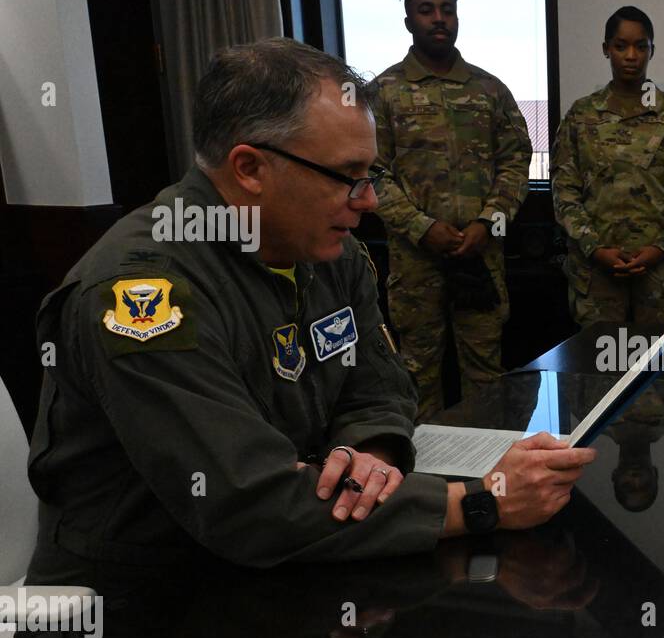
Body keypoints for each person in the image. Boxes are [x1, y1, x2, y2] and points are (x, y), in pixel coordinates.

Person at [25, 38, 594, 585]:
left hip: (293, 561)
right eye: (348, 176)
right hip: (141, 607)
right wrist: (478, 504)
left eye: (370, 176)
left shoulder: (328, 252)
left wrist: (369, 456)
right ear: (250, 168)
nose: (368, 200)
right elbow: (244, 504)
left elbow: (378, 388)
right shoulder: (144, 293)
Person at [371, 0, 532, 420]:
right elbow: (369, 173)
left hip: (480, 257)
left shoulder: (489, 90)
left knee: (486, 375)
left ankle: (487, 480)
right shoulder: (383, 91)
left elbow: (517, 161)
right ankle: (424, 484)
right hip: (416, 261)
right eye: (427, 10)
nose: (439, 18)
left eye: (447, 9)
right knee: (418, 374)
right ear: (408, 20)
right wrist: (422, 228)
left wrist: (488, 222)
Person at [551, 5, 664, 328]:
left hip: (661, 275)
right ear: (606, 49)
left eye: (641, 46)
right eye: (621, 46)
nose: (631, 55)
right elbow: (564, 192)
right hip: (598, 276)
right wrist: (595, 248)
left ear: (652, 50)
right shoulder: (582, 116)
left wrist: (660, 247)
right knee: (599, 372)